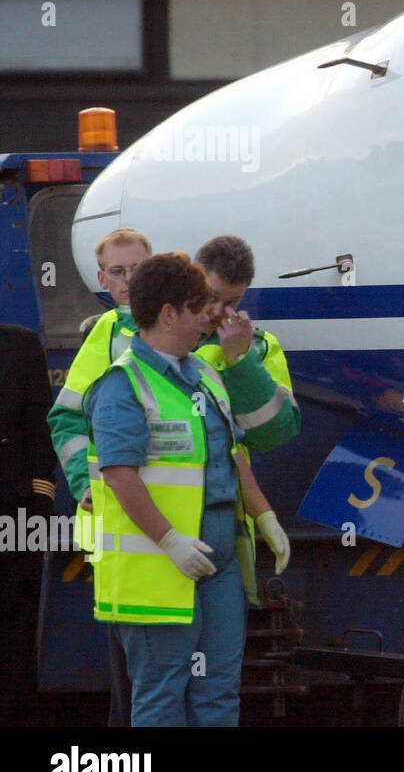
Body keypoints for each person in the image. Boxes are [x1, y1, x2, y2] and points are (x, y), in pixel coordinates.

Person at [84, 253, 283, 726]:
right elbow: (119, 475)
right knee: (161, 697)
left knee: (218, 693)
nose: (208, 319)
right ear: (169, 313)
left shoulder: (205, 374)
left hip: (218, 557)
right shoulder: (123, 384)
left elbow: (231, 453)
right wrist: (170, 540)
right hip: (161, 566)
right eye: (198, 308)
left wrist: (264, 515)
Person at [47, 226, 152, 726]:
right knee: (130, 680)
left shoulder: (190, 327)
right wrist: (84, 483)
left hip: (189, 522)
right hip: (117, 529)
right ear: (101, 278)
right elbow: (65, 417)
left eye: (138, 269)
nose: (129, 280)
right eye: (118, 271)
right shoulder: (106, 333)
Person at [193, 235, 301, 454]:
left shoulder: (260, 347)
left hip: (222, 484)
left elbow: (276, 435)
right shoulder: (144, 331)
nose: (217, 311)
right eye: (212, 296)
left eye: (231, 301)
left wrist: (241, 360)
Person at [0, 324, 58, 726]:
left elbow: (41, 432)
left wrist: (40, 506)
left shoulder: (20, 345)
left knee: (15, 636)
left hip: (13, 513)